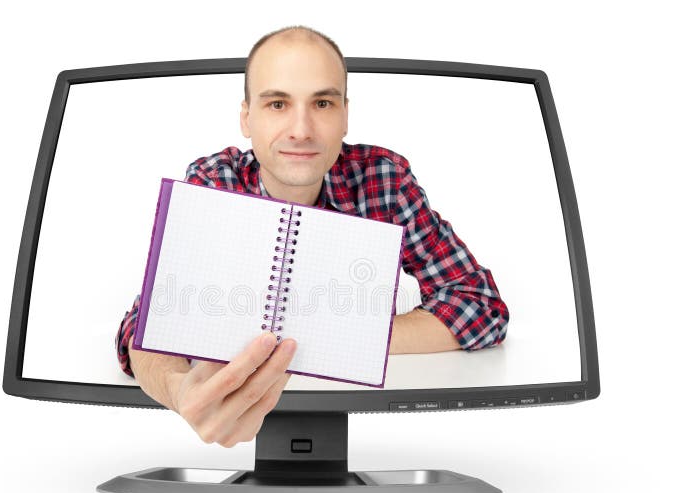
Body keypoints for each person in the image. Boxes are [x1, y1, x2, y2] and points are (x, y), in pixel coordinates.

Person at [115, 25, 509, 448]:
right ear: (247, 118)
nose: (301, 129)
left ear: (344, 115)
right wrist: (178, 391)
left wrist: (335, 338)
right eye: (278, 103)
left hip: (374, 428)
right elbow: (145, 324)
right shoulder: (214, 181)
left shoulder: (383, 179)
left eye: (322, 102)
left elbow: (480, 306)